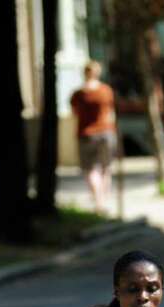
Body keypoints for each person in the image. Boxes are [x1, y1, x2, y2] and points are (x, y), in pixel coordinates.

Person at [70, 60, 116, 215]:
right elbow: (110, 112)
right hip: (106, 132)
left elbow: (75, 112)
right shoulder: (106, 90)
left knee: (90, 170)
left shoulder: (78, 94)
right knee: (105, 168)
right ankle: (103, 201)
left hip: (86, 134)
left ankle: (98, 202)